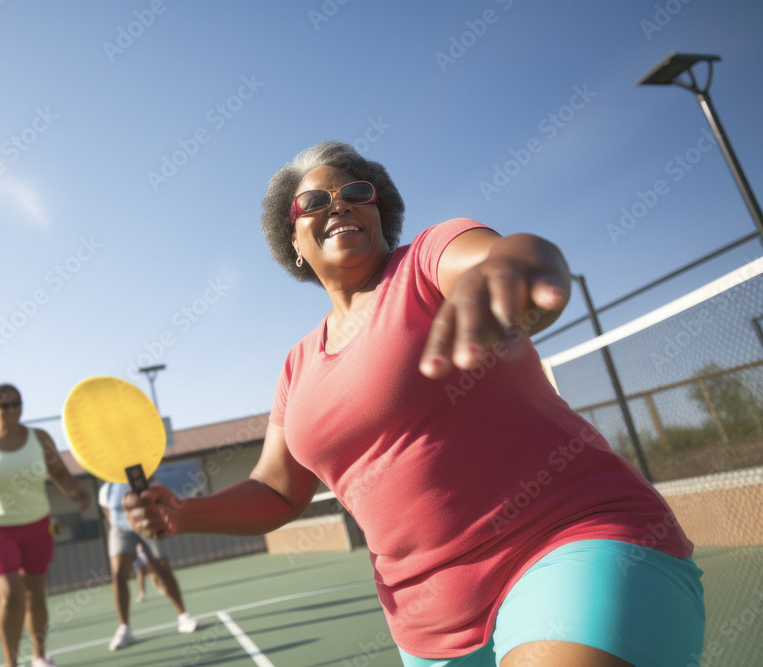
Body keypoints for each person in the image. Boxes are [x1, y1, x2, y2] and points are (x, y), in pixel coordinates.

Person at [125, 141, 705, 666]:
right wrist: (185, 515)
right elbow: (278, 491)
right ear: (293, 242)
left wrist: (512, 272)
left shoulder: (427, 260)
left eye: (356, 193)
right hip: (428, 632)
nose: (340, 205)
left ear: (380, 212)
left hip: (568, 542)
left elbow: (516, 259)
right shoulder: (296, 365)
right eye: (316, 202)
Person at [0, 384, 91, 667]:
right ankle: (11, 663)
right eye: (5, 405)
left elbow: (59, 472)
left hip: (38, 526)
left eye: (17, 403)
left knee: (35, 595)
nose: (12, 410)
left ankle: (39, 657)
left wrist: (77, 491)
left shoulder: (40, 438)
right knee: (12, 596)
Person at [99, 480, 197, 651]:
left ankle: (183, 616)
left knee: (162, 568)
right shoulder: (106, 490)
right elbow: (108, 514)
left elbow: (158, 498)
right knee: (118, 576)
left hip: (147, 523)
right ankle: (124, 629)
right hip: (120, 530)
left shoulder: (141, 478)